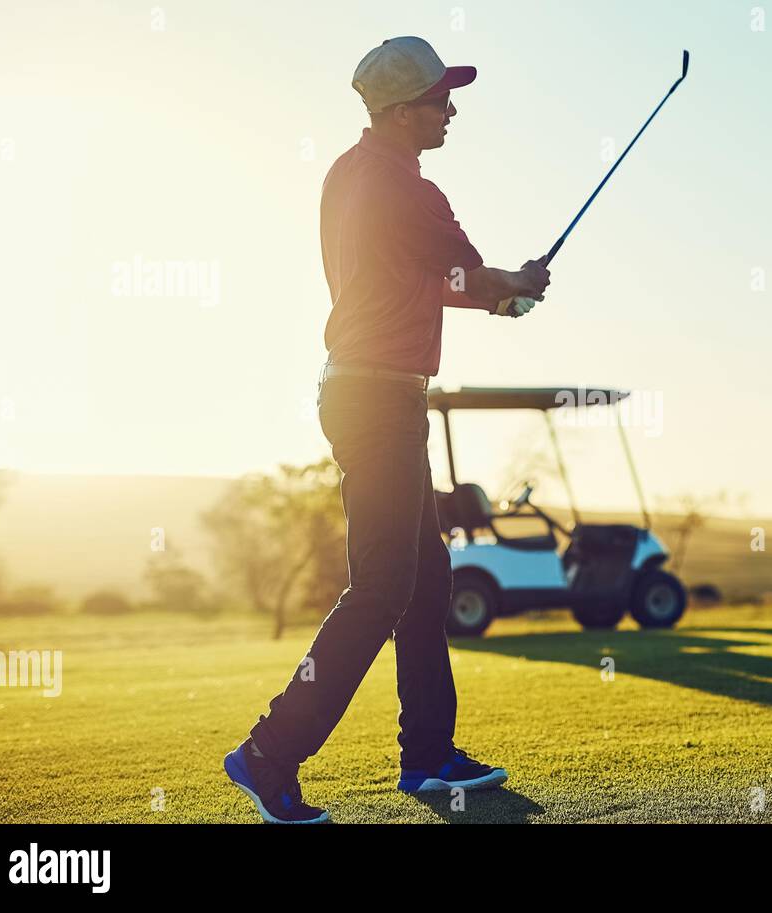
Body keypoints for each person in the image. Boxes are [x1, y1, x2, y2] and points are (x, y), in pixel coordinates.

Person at [224, 36, 551, 824]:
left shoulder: (352, 171)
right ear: (403, 111)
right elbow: (466, 276)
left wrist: (497, 292)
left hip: (372, 395)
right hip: (377, 399)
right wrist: (517, 287)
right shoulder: (408, 188)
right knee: (381, 587)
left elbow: (435, 277)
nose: (451, 109)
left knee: (426, 578)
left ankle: (429, 754)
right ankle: (269, 752)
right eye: (441, 98)